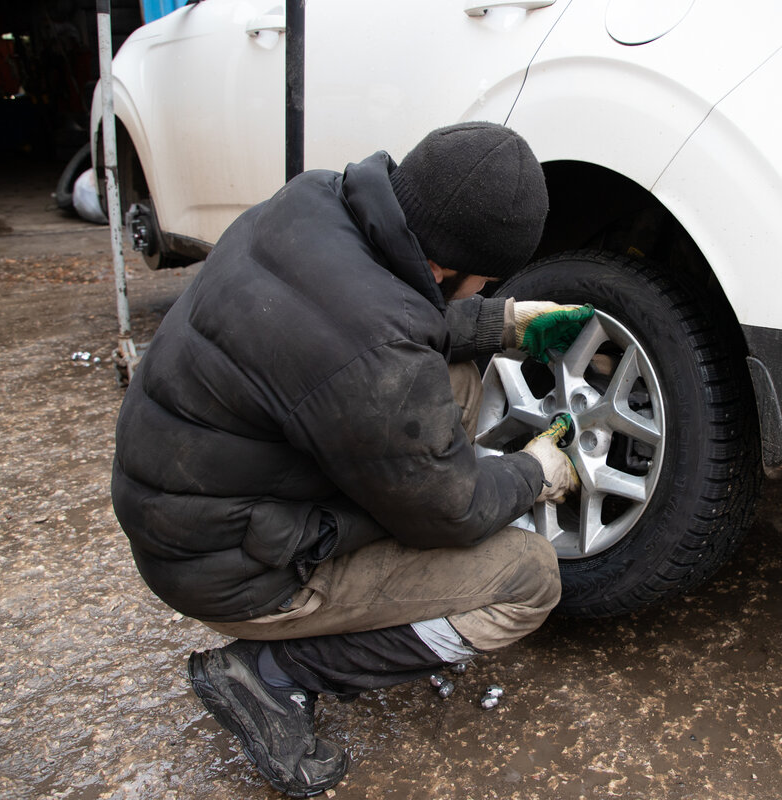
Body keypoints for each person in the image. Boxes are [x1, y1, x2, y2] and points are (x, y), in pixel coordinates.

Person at [110, 122, 593, 797]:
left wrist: (503, 322)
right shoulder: (375, 347)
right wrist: (535, 473)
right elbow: (452, 511)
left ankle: (386, 511)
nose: (484, 285)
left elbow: (365, 318)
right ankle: (276, 673)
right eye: (482, 277)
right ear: (441, 267)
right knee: (528, 578)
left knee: (448, 380)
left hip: (186, 504)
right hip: (228, 566)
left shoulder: (317, 200)